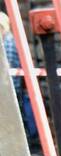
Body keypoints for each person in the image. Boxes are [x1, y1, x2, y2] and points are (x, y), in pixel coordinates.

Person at [1, 12, 38, 142]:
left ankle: (21, 141)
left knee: (14, 117)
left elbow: (7, 68)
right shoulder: (7, 40)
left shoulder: (8, 43)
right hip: (12, 86)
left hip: (10, 87)